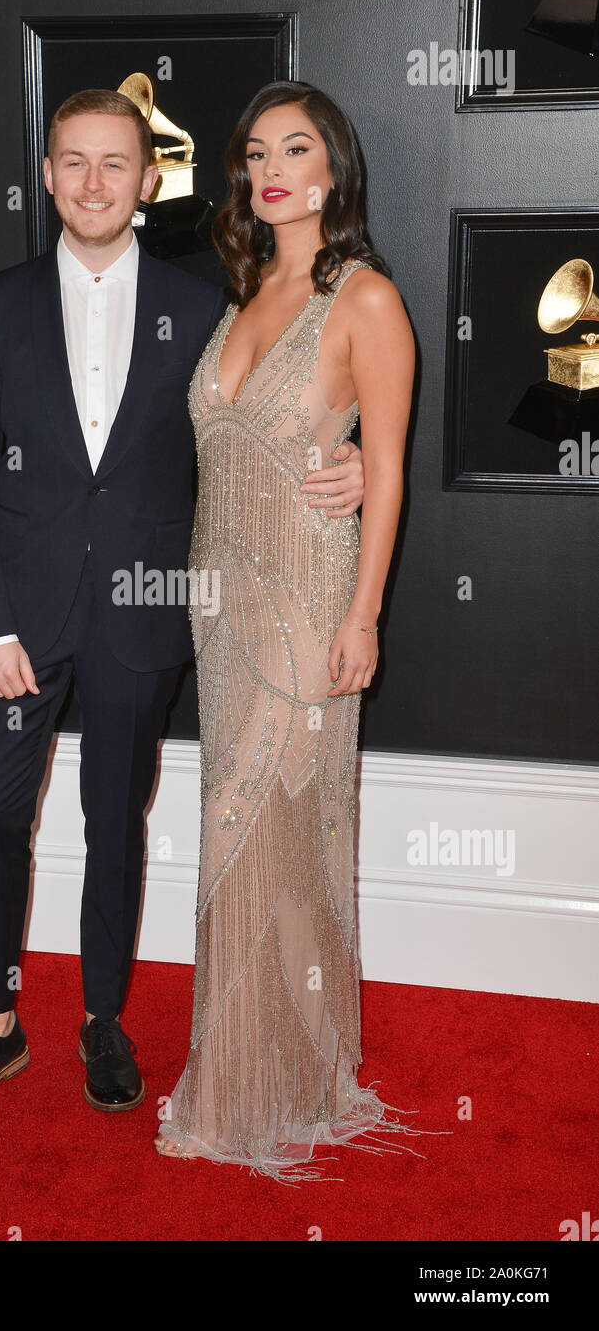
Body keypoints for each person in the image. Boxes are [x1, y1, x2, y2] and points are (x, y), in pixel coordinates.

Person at [0, 88, 366, 1125]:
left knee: (112, 822)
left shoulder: (200, 305)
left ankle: (101, 1019)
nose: (92, 182)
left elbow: (248, 426)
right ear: (45, 174)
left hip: (140, 611)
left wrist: (338, 463)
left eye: (114, 164)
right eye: (71, 162)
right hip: (16, 624)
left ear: (147, 180)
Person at [154, 81, 420, 1180]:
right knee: (239, 823)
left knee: (273, 831)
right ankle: (261, 1065)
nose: (271, 167)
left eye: (295, 147)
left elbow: (389, 466)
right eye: (254, 151)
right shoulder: (245, 286)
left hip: (308, 599)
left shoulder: (363, 298)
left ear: (332, 168)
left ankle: (261, 1087)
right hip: (220, 601)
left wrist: (363, 615)